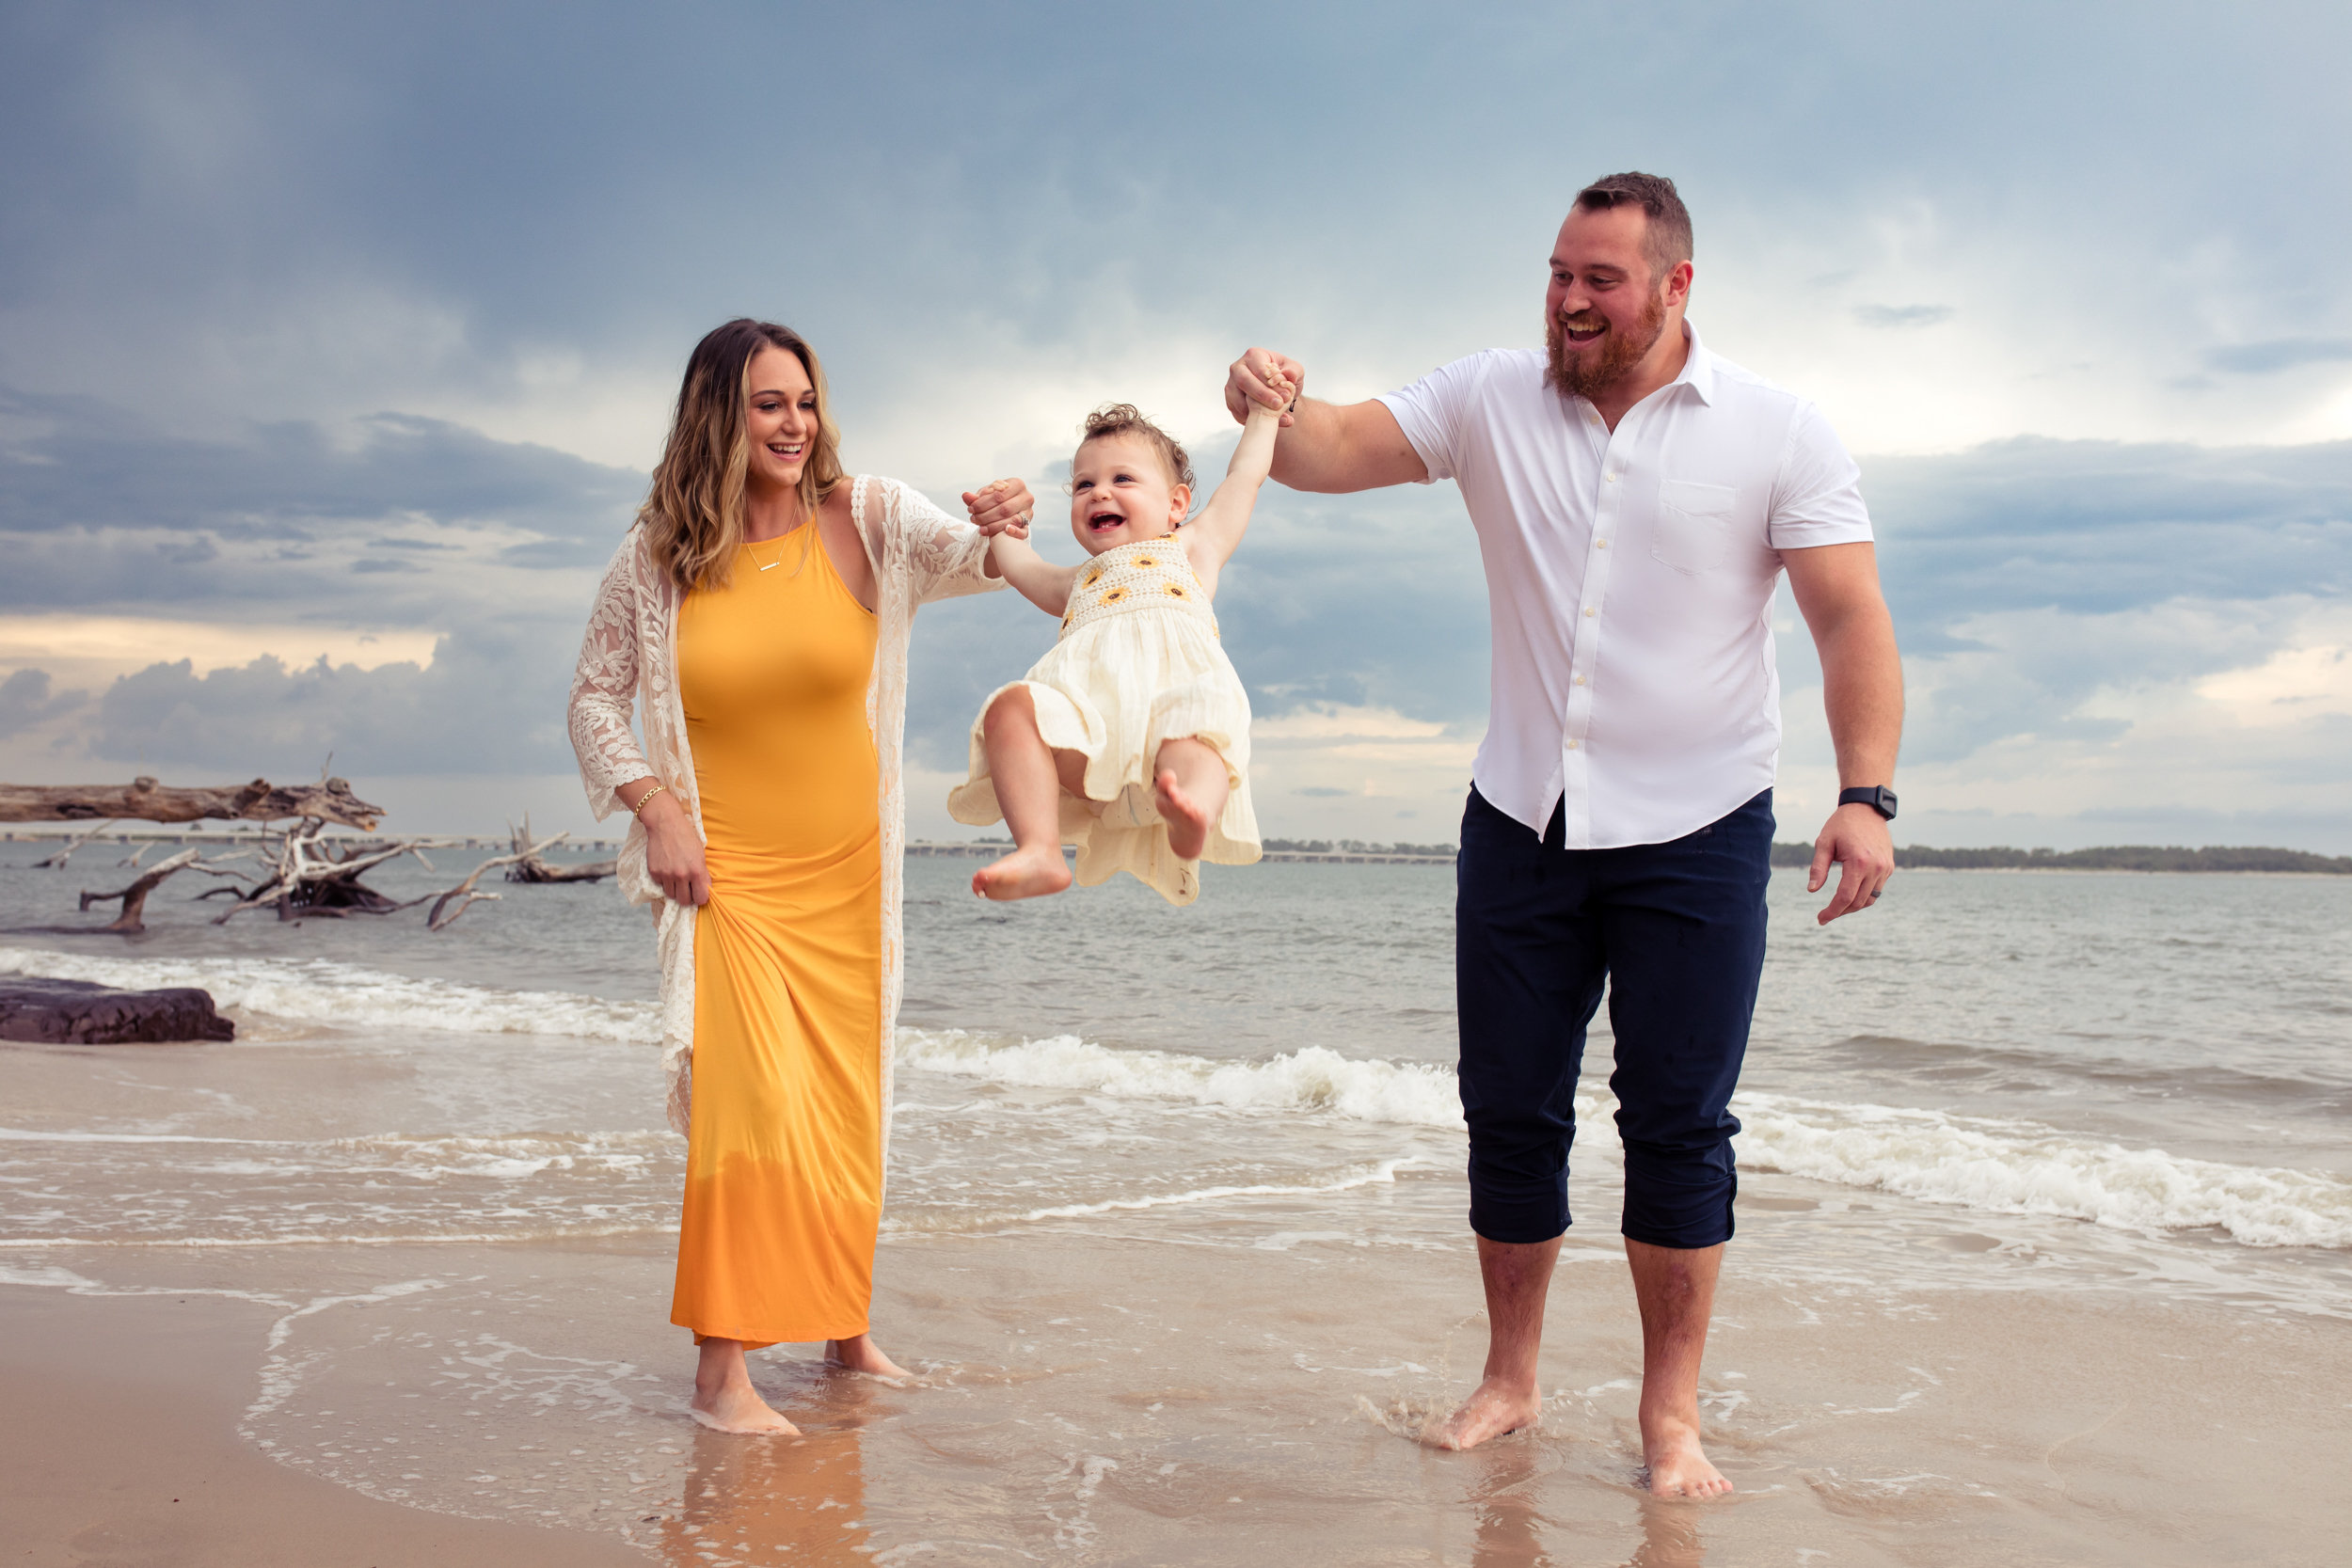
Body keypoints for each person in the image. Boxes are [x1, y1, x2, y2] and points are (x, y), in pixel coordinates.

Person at [1223, 172, 1903, 1495]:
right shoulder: (1489, 396)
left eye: (1599, 277)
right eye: (1557, 272)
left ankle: (1670, 1418)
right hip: (1523, 816)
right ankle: (1512, 1378)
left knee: (1679, 1123)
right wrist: (1261, 395)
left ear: (1675, 285)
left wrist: (1865, 794)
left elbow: (1850, 622)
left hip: (1701, 828)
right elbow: (1332, 449)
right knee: (1509, 1115)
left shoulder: (1779, 429)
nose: (1570, 299)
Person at [567, 318, 1036, 1434]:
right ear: (716, 415)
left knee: (842, 1107)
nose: (794, 424)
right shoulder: (654, 557)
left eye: (806, 401)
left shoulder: (864, 514)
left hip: (847, 877)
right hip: (725, 880)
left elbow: (975, 560)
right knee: (749, 1110)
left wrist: (1004, 518)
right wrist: (658, 807)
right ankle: (721, 1373)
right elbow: (594, 697)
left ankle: (844, 1330)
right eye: (768, 403)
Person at [946, 386, 1285, 905]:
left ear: (1176, 504)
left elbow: (1245, 477)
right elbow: (1018, 564)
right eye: (1084, 485)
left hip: (1168, 738)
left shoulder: (1195, 547)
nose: (1099, 493)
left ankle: (1191, 813)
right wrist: (1001, 520)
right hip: (1094, 743)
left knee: (1200, 717)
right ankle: (1040, 850)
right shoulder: (1074, 583)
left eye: (1122, 478)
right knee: (1010, 708)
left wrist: (1264, 413)